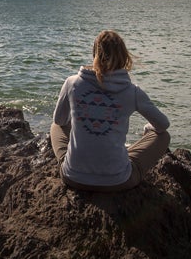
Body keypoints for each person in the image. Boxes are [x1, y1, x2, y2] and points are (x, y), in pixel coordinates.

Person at [51, 30, 170, 192]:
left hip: (73, 178)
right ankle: (114, 161)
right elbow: (163, 125)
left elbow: (60, 121)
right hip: (118, 182)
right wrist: (149, 129)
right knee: (163, 136)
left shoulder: (72, 83)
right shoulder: (132, 92)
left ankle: (77, 162)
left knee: (55, 126)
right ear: (124, 56)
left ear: (95, 54)